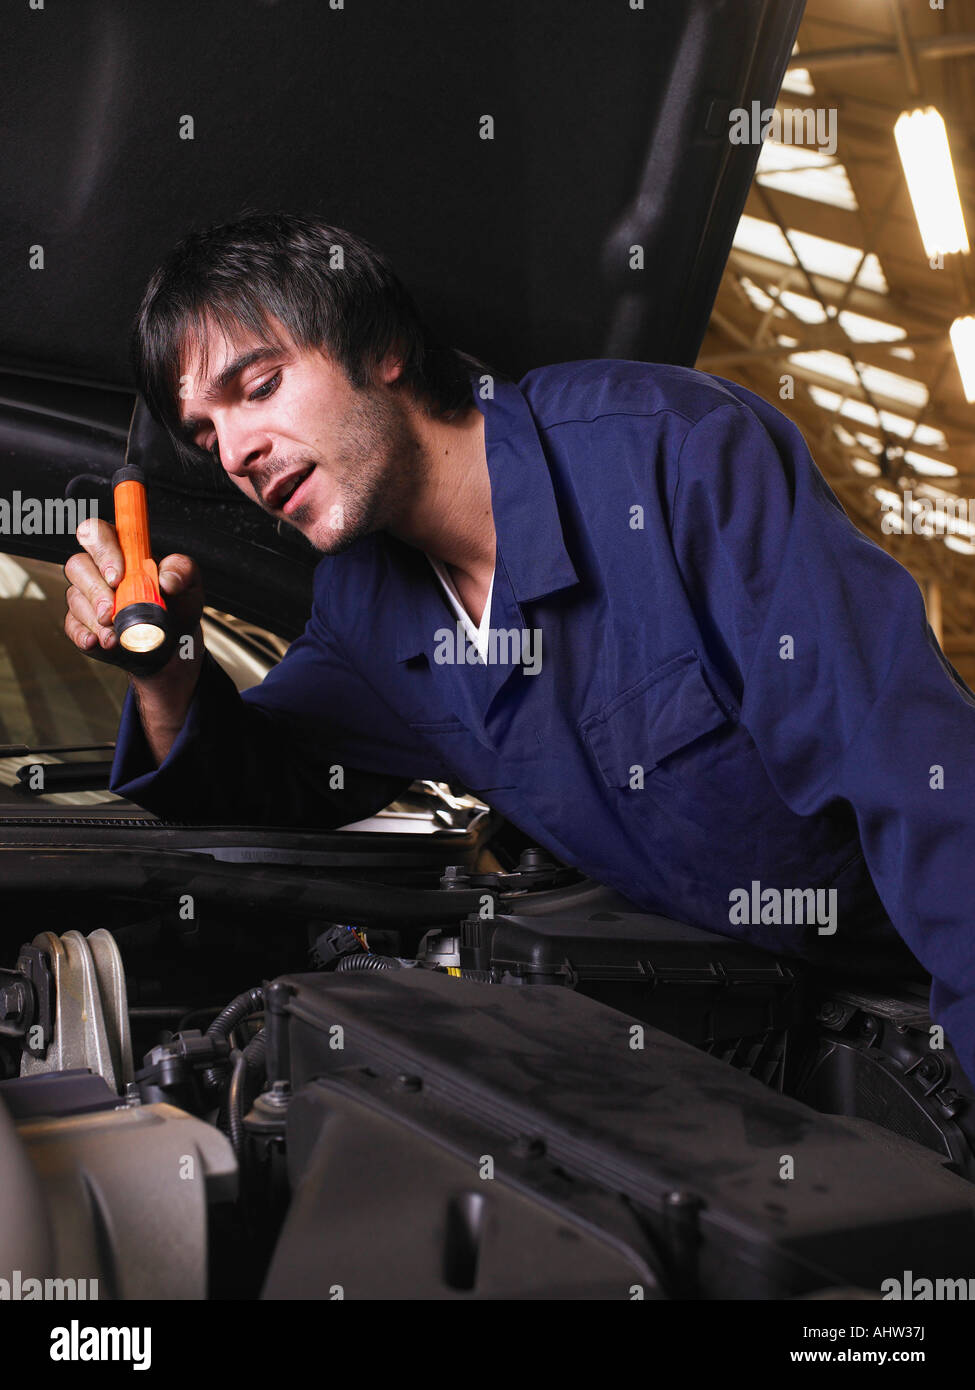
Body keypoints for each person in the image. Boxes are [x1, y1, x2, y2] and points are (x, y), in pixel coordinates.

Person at [63, 211, 975, 1081]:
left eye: (257, 388)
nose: (236, 452)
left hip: (929, 968)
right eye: (206, 433)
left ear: (380, 347)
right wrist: (166, 670)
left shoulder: (676, 460)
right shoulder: (364, 609)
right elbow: (269, 780)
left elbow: (922, 783)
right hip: (791, 1009)